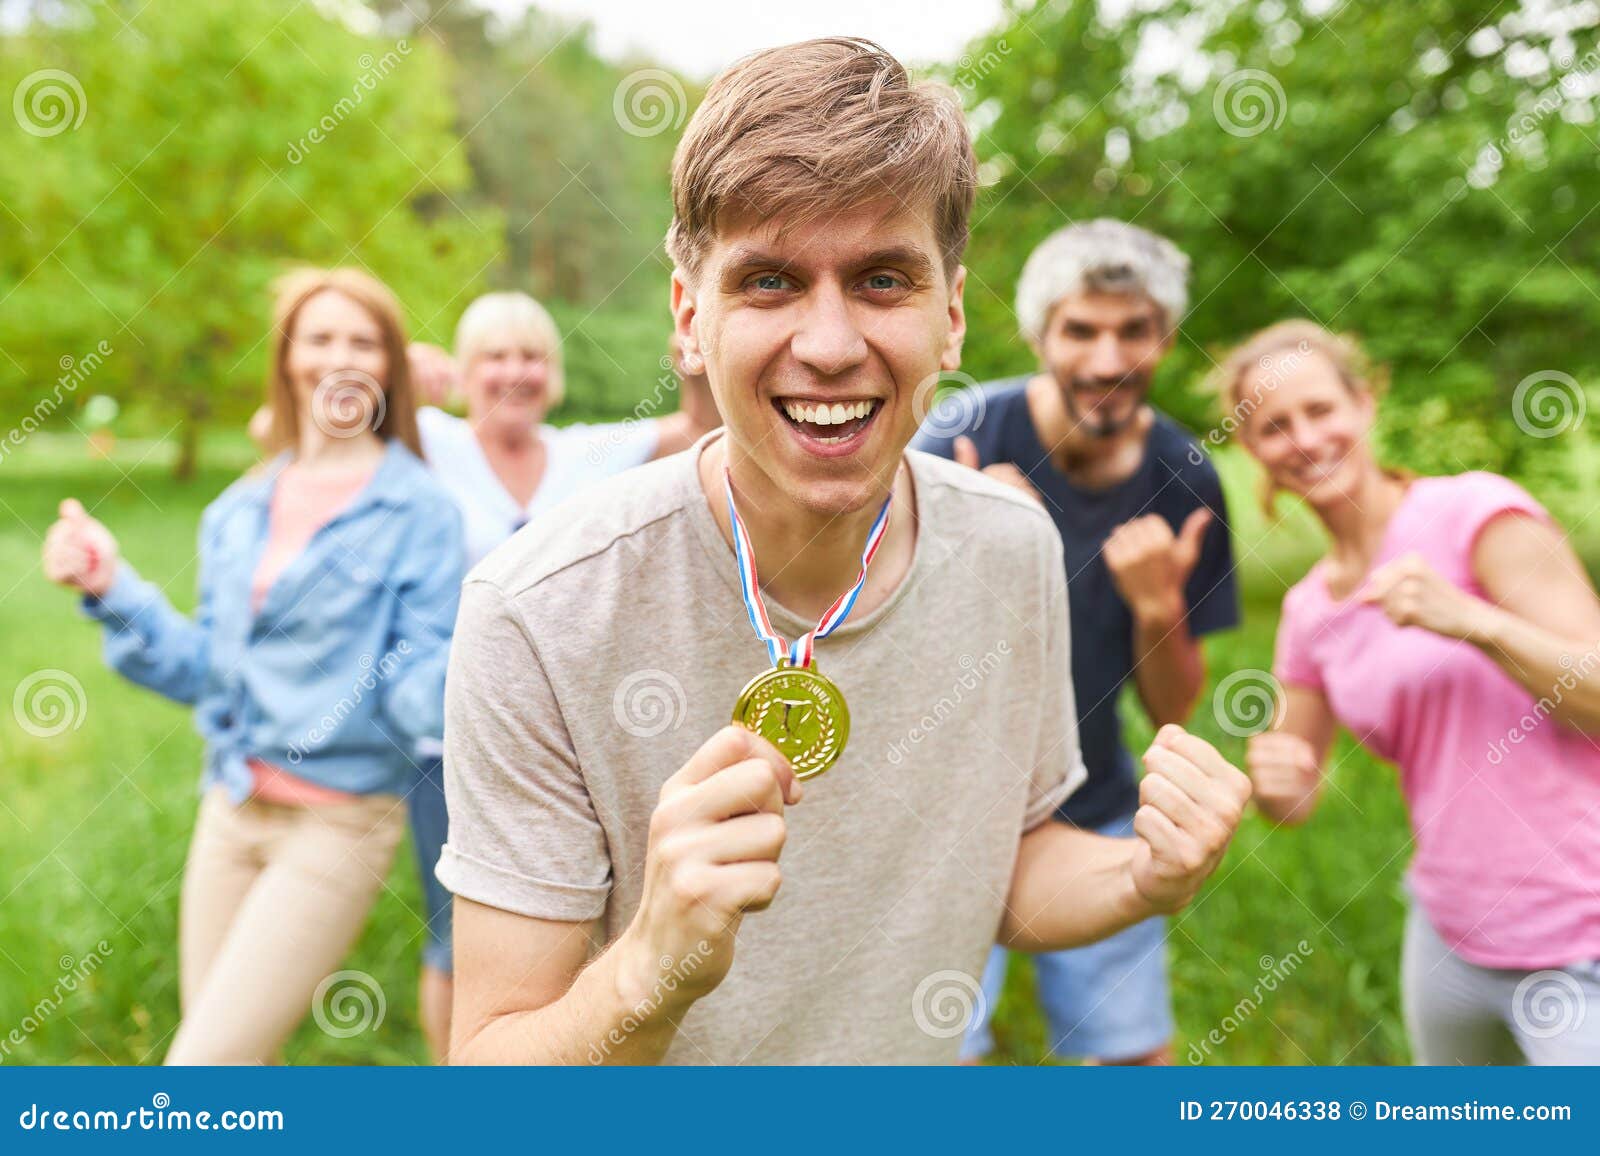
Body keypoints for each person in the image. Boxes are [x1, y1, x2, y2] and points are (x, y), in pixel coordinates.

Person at [438, 37, 1250, 1066]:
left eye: (880, 279)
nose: (828, 344)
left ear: (949, 317)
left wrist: (1144, 875)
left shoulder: (1012, 549)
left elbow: (1011, 867)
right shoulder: (538, 609)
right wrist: (648, 968)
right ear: (690, 319)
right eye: (770, 280)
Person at [42, 268, 464, 1064]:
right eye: (320, 337)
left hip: (339, 821)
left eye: (362, 341)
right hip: (231, 806)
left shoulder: (421, 511)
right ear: (288, 357)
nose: (340, 357)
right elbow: (209, 668)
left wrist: (487, 676)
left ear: (389, 366)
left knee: (200, 1072)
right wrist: (112, 586)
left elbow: (419, 679)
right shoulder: (237, 510)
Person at [1225, 319, 1600, 1065]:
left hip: (1577, 933)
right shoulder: (1309, 609)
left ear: (1364, 405)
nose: (1303, 438)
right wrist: (1269, 781)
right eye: (1273, 426)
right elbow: (1293, 796)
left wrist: (1471, 621)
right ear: (1252, 448)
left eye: (1320, 410)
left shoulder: (1475, 513)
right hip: (1447, 937)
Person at [912, 219, 1238, 1064]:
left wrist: (1158, 604)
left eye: (1133, 331)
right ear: (1039, 335)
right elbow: (876, 649)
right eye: (1081, 330)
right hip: (939, 819)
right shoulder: (960, 442)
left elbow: (1173, 708)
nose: (1106, 360)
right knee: (921, 1065)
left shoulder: (1186, 476)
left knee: (1133, 1065)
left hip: (1096, 811)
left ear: (1164, 337)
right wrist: (975, 542)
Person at [402, 295, 721, 1057]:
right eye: (494, 358)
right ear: (465, 372)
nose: (515, 372)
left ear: (554, 373)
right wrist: (405, 376)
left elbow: (701, 432)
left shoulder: (586, 454)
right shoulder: (430, 443)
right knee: (455, 934)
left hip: (559, 737)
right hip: (442, 736)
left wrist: (699, 345)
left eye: (532, 356)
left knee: (560, 932)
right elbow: (283, 427)